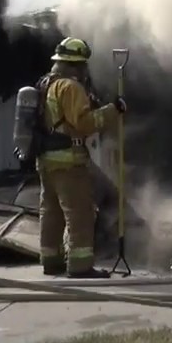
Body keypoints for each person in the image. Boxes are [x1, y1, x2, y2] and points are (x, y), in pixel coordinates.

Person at [35, 37, 125, 279]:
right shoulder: (71, 87)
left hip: (45, 160)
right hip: (68, 161)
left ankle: (50, 260)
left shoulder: (46, 83)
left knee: (50, 211)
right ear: (76, 65)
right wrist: (112, 111)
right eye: (83, 65)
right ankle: (80, 265)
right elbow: (84, 123)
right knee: (80, 212)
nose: (85, 70)